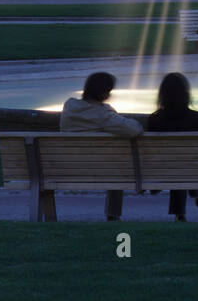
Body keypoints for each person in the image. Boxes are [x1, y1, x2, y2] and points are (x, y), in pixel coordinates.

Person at [59, 71, 142, 220]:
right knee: (117, 167)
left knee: (114, 164)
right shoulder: (103, 115)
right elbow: (134, 129)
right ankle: (113, 215)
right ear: (105, 93)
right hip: (102, 169)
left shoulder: (69, 106)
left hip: (66, 168)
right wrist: (110, 111)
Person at [145, 73, 198, 222]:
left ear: (162, 95)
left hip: (162, 170)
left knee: (176, 164)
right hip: (194, 169)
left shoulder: (154, 120)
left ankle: (180, 213)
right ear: (187, 94)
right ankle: (197, 193)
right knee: (183, 164)